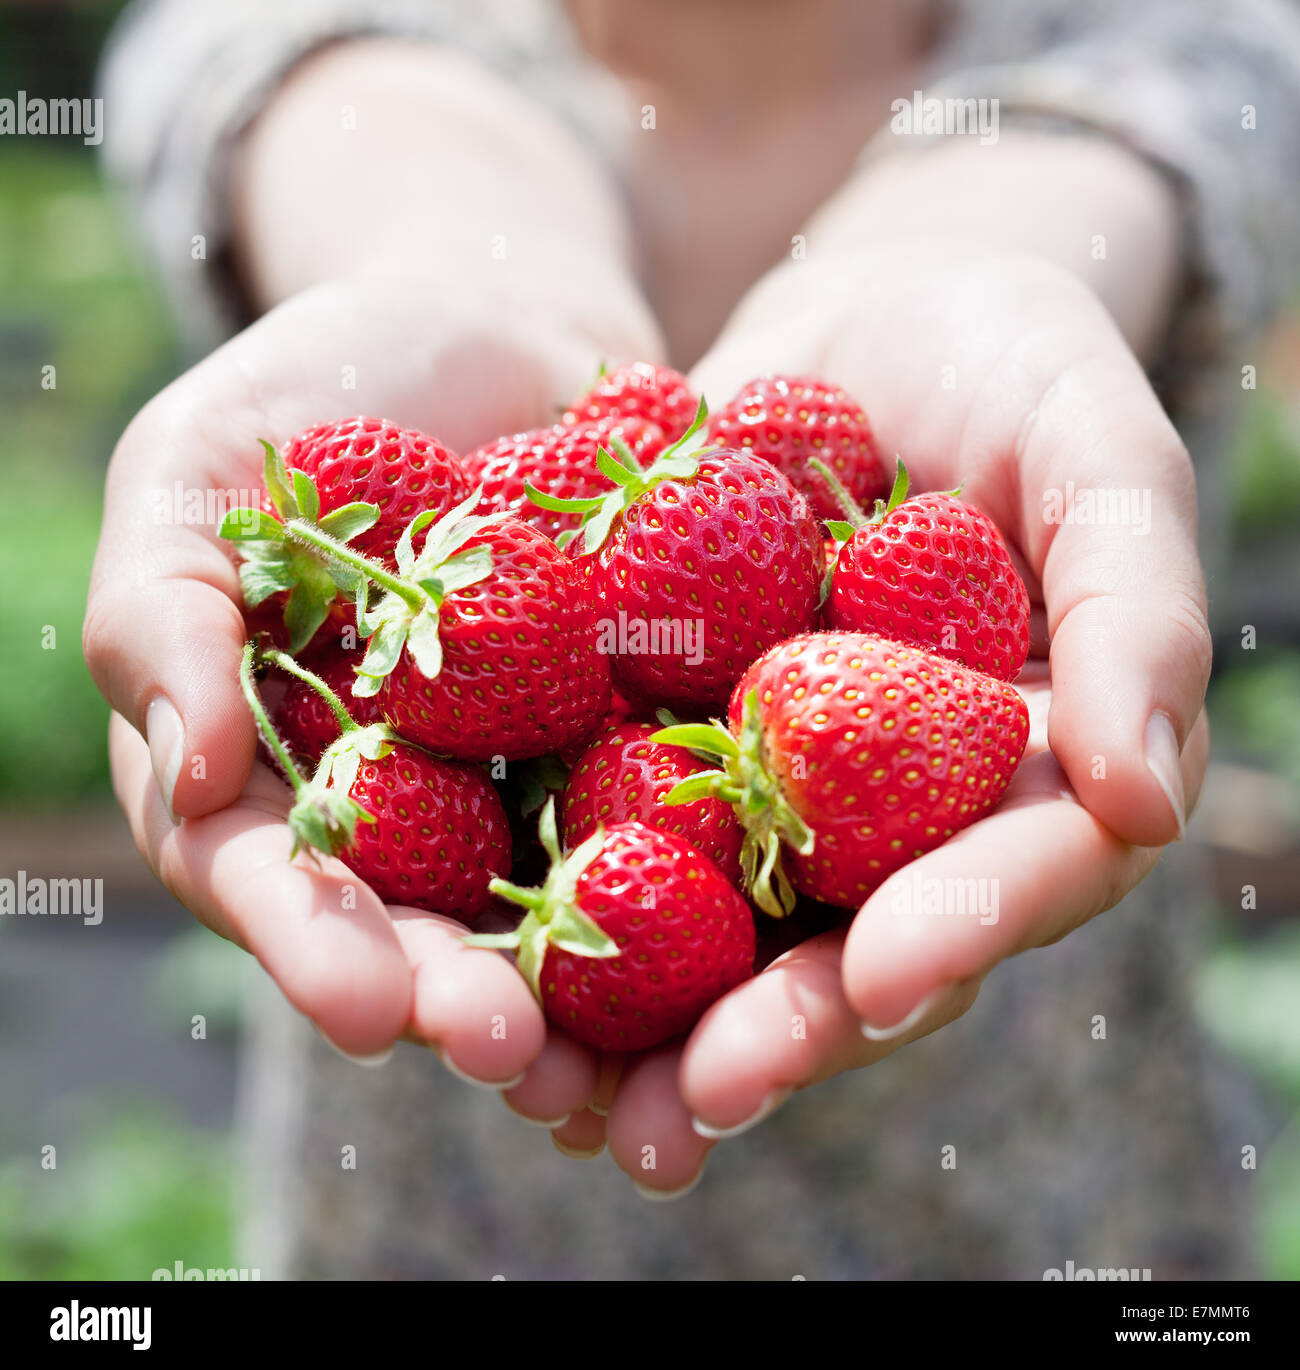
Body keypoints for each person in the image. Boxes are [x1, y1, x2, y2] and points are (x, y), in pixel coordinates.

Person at [85, 0, 1300, 1276]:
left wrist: (984, 264)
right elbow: (332, 94)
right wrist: (451, 265)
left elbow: (1133, 124)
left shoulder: (1189, 34)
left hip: (1055, 1208)